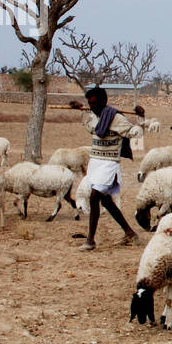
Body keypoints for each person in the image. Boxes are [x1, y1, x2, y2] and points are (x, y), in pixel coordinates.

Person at [69, 86, 144, 251]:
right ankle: (129, 232)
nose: (92, 106)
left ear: (104, 101)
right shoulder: (95, 118)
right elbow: (90, 127)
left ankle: (90, 240)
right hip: (95, 162)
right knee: (105, 201)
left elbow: (135, 133)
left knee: (95, 197)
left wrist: (141, 119)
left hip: (109, 164)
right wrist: (82, 109)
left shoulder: (116, 119)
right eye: (90, 103)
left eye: (95, 103)